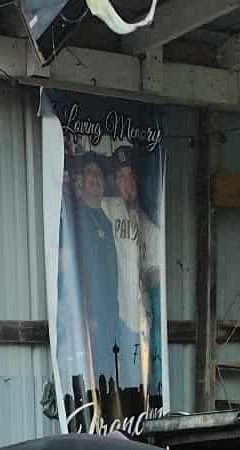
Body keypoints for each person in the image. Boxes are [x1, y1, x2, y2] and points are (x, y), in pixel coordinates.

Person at [56, 149, 122, 420]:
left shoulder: (104, 220)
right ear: (80, 180)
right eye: (90, 173)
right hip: (84, 314)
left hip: (108, 314)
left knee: (107, 373)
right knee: (86, 375)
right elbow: (67, 268)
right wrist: (84, 313)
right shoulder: (74, 218)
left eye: (99, 174)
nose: (95, 179)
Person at [106, 141, 164, 401]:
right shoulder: (108, 208)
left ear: (137, 180)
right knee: (117, 385)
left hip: (141, 319)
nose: (126, 184)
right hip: (117, 314)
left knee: (142, 386)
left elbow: (158, 275)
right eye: (120, 177)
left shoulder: (150, 227)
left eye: (129, 176)